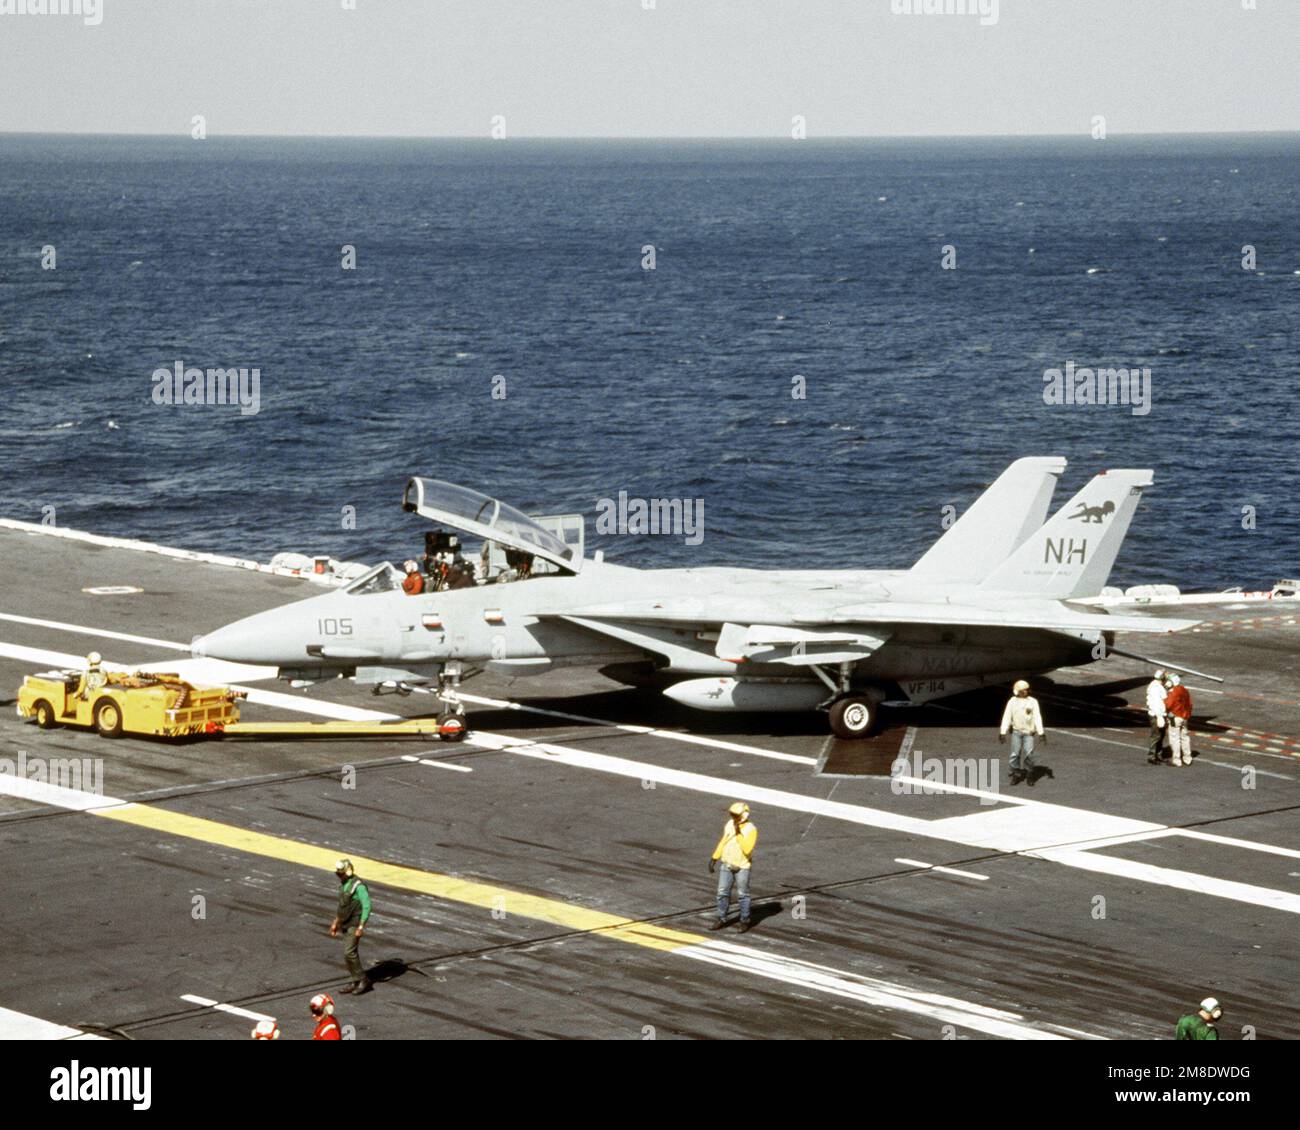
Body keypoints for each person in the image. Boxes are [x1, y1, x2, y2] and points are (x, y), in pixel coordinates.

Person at [709, 802, 758, 933]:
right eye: (732, 815)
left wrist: (739, 833)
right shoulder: (730, 824)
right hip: (726, 864)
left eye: (736, 815)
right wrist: (715, 857)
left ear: (744, 815)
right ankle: (721, 918)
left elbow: (747, 850)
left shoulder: (751, 829)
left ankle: (744, 920)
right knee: (722, 893)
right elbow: (723, 841)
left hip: (742, 867)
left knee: (743, 895)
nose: (734, 817)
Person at [328, 859, 373, 994]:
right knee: (348, 955)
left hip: (355, 923)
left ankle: (364, 980)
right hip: (346, 923)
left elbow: (367, 906)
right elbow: (342, 906)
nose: (339, 876)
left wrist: (361, 926)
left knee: (349, 952)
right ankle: (356, 980)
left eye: (341, 874)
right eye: (338, 874)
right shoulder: (344, 884)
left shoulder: (358, 886)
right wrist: (336, 922)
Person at [999, 679, 1045, 785]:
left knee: (1029, 754)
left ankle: (1029, 774)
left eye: (1026, 690)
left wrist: (1041, 732)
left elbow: (1038, 717)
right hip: (1016, 732)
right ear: (1017, 691)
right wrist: (1003, 731)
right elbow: (1007, 716)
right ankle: (1016, 774)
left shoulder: (1033, 702)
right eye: (1023, 690)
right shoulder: (1012, 701)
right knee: (1015, 754)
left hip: (1029, 733)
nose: (1026, 692)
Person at [1165, 674, 1194, 767]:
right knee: (1185, 738)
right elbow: (1190, 704)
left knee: (1175, 739)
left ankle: (1177, 760)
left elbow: (1168, 705)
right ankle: (1188, 758)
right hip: (1185, 717)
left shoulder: (1172, 692)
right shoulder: (1185, 690)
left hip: (1175, 717)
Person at [1145, 669, 1169, 765]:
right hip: (1156, 715)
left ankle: (1158, 755)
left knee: (1161, 735)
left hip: (1159, 714)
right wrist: (1159, 716)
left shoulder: (1157, 686)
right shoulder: (1156, 688)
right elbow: (1156, 703)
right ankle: (1152, 756)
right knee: (1156, 736)